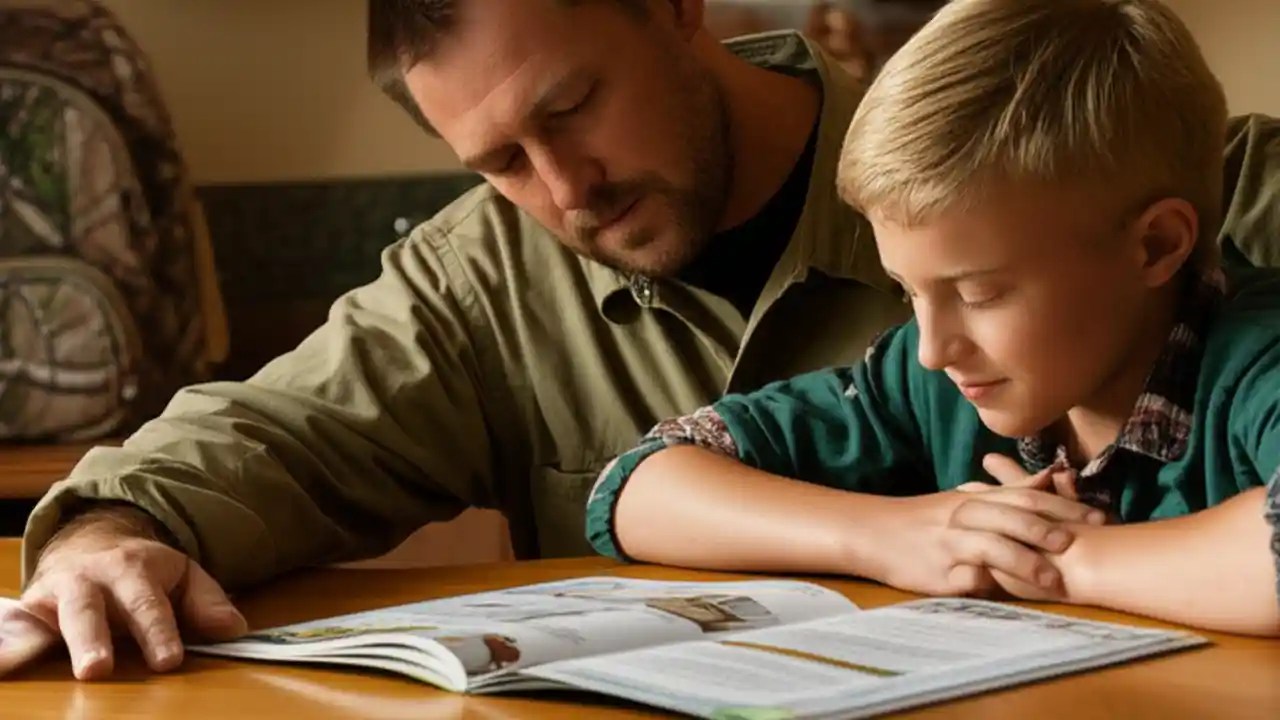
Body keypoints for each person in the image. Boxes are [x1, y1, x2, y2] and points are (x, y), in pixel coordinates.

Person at [4, 0, 1279, 684]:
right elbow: (274, 435)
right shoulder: (482, 276)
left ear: (678, 7)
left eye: (570, 108)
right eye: (499, 161)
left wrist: (1069, 563)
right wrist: (112, 535)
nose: (561, 189)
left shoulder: (1123, 171)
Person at [586, 0, 1280, 636]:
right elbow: (638, 483)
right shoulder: (929, 388)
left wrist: (1063, 561)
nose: (933, 348)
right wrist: (896, 535)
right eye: (908, 291)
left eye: (979, 294)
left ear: (1155, 245)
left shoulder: (1259, 357)